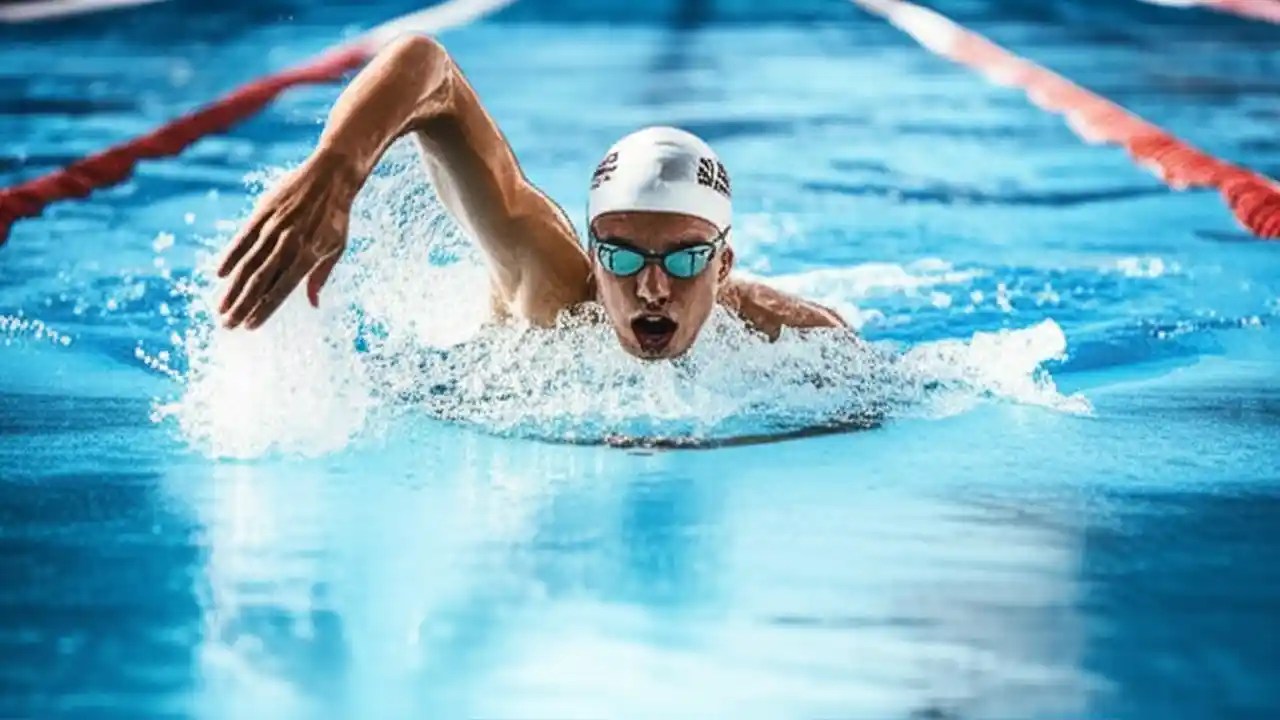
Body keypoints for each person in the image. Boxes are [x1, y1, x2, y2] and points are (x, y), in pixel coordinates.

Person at [216, 35, 849, 359]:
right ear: (593, 254)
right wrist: (337, 168)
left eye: (684, 259)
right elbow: (429, 67)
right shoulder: (552, 291)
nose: (653, 288)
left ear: (724, 265)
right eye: (624, 257)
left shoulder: (781, 334)